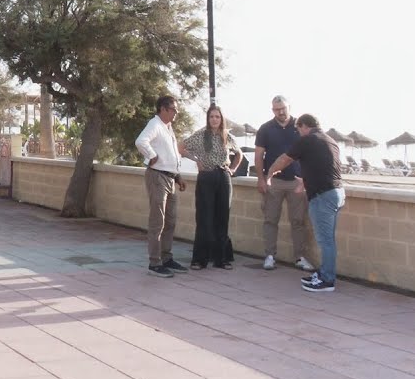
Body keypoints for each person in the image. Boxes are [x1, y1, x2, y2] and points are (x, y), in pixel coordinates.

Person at [267, 114, 345, 292]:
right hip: (337, 193)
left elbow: (285, 159)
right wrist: (305, 181)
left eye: (298, 129)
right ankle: (325, 274)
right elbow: (325, 167)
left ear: (304, 126)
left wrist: (270, 172)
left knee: (326, 241)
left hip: (323, 196)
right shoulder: (330, 140)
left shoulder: (308, 140)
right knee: (329, 240)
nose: (298, 132)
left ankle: (327, 280)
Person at [254, 95, 315, 272]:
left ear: (289, 107)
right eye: (276, 109)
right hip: (274, 182)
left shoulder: (300, 126)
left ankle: (300, 257)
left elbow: (311, 152)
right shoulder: (265, 129)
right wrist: (261, 178)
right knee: (270, 220)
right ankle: (270, 256)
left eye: (283, 108)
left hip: (297, 182)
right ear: (272, 110)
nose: (280, 112)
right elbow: (259, 156)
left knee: (298, 221)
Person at [182, 105, 243, 270]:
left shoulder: (227, 136)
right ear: (208, 119)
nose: (214, 119)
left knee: (222, 218)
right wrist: (196, 160)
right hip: (206, 176)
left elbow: (239, 154)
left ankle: (221, 259)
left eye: (217, 117)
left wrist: (233, 169)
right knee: (204, 218)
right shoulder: (201, 135)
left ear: (221, 119)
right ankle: (199, 260)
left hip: (223, 176)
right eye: (211, 117)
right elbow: (181, 147)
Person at [134, 95, 188, 278]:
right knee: (158, 221)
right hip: (157, 177)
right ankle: (155, 262)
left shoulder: (168, 128)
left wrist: (178, 176)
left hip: (170, 178)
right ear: (163, 109)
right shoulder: (155, 124)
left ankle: (167, 257)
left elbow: (171, 154)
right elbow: (141, 141)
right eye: (173, 109)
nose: (176, 113)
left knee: (170, 220)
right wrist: (151, 156)